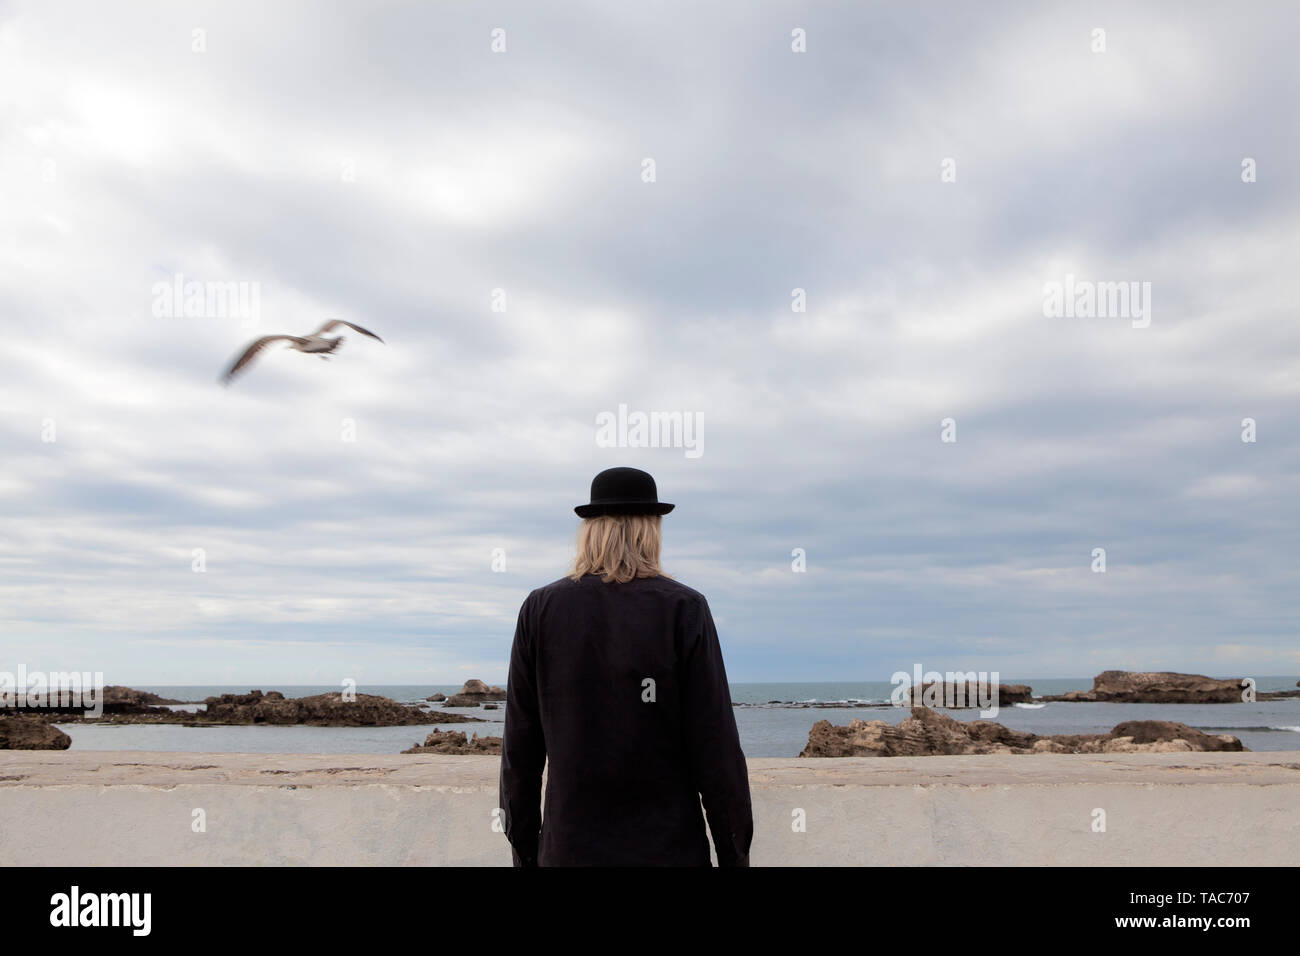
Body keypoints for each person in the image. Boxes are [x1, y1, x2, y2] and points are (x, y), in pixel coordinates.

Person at [498, 466, 753, 866]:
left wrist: (525, 852)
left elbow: (520, 752)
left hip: (569, 849)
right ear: (650, 529)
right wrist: (734, 856)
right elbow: (716, 748)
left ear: (589, 530)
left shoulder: (540, 609)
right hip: (669, 849)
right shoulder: (683, 608)